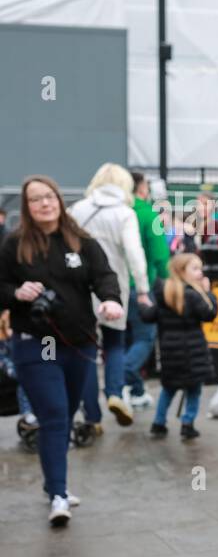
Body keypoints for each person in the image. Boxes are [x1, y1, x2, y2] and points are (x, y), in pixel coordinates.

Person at [0, 176, 123, 526]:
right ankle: (58, 494)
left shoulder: (80, 241)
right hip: (41, 342)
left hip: (79, 341)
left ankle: (53, 481)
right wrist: (15, 293)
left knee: (66, 413)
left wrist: (111, 301)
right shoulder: (15, 246)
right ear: (27, 207)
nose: (44, 203)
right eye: (36, 199)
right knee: (54, 413)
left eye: (49, 196)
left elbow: (104, 276)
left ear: (59, 199)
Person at [69, 163, 150, 430]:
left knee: (88, 350)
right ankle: (115, 394)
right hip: (114, 287)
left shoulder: (77, 210)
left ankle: (92, 416)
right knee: (115, 344)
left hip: (79, 288)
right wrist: (143, 289)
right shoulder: (125, 213)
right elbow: (135, 254)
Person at [142, 252, 218, 440]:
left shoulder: (164, 294)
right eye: (195, 268)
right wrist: (208, 292)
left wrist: (143, 305)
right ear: (181, 271)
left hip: (170, 354)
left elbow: (148, 316)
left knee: (168, 389)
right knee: (194, 389)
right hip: (193, 353)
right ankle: (187, 423)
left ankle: (159, 422)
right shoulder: (193, 295)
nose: (200, 273)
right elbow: (210, 314)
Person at [124, 170, 170, 409]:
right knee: (144, 338)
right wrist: (168, 279)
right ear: (142, 189)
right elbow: (160, 255)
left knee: (122, 340)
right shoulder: (146, 213)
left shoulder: (117, 212)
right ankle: (120, 377)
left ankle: (137, 391)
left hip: (112, 289)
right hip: (141, 287)